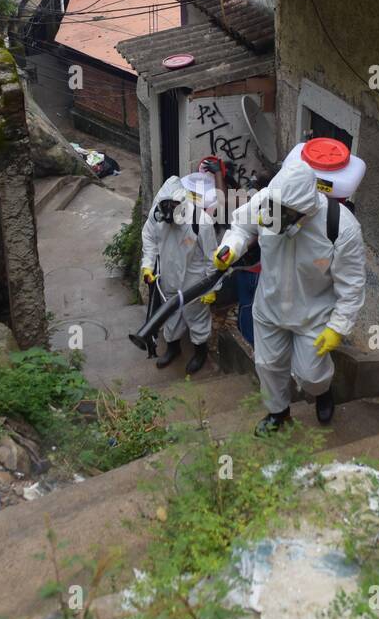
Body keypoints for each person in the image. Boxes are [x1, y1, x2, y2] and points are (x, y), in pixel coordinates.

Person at [214, 159, 366, 434]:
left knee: (310, 375)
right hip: (269, 305)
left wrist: (338, 327)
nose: (273, 217)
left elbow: (352, 286)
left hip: (313, 314)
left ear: (304, 212)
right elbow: (241, 227)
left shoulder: (340, 228)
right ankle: (278, 413)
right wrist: (230, 248)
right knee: (268, 366)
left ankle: (322, 392)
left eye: (284, 214)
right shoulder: (265, 201)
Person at [139, 171, 220, 375]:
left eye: (172, 207)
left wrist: (212, 287)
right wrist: (147, 265)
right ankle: (173, 348)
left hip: (194, 278)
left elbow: (212, 257)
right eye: (165, 207)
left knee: (197, 318)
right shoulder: (156, 217)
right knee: (170, 316)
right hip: (168, 275)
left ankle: (200, 351)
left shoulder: (201, 222)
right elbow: (149, 238)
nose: (168, 212)